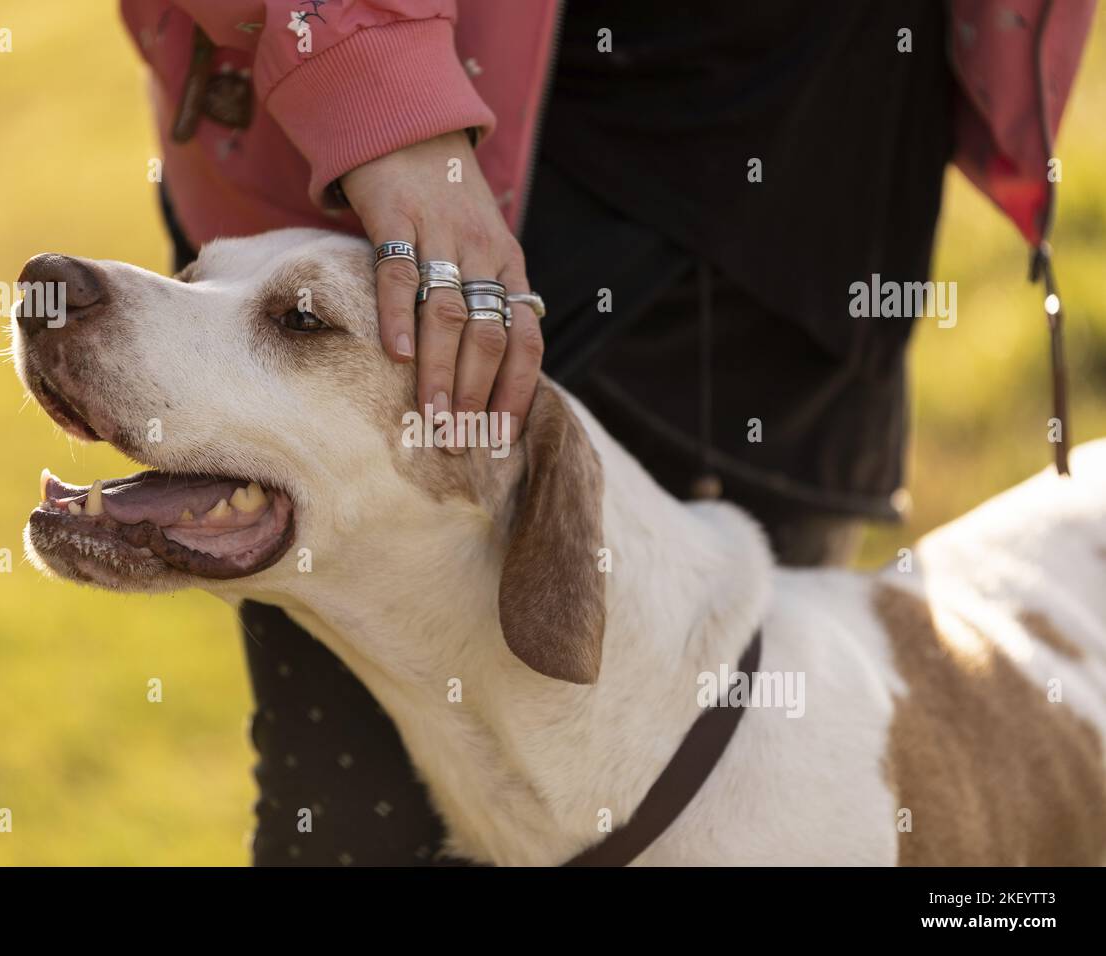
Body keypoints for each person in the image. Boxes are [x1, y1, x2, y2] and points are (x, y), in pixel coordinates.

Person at [122, 0, 1091, 865]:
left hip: (819, 197)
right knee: (357, 831)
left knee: (771, 783)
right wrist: (385, 99)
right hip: (446, 185)